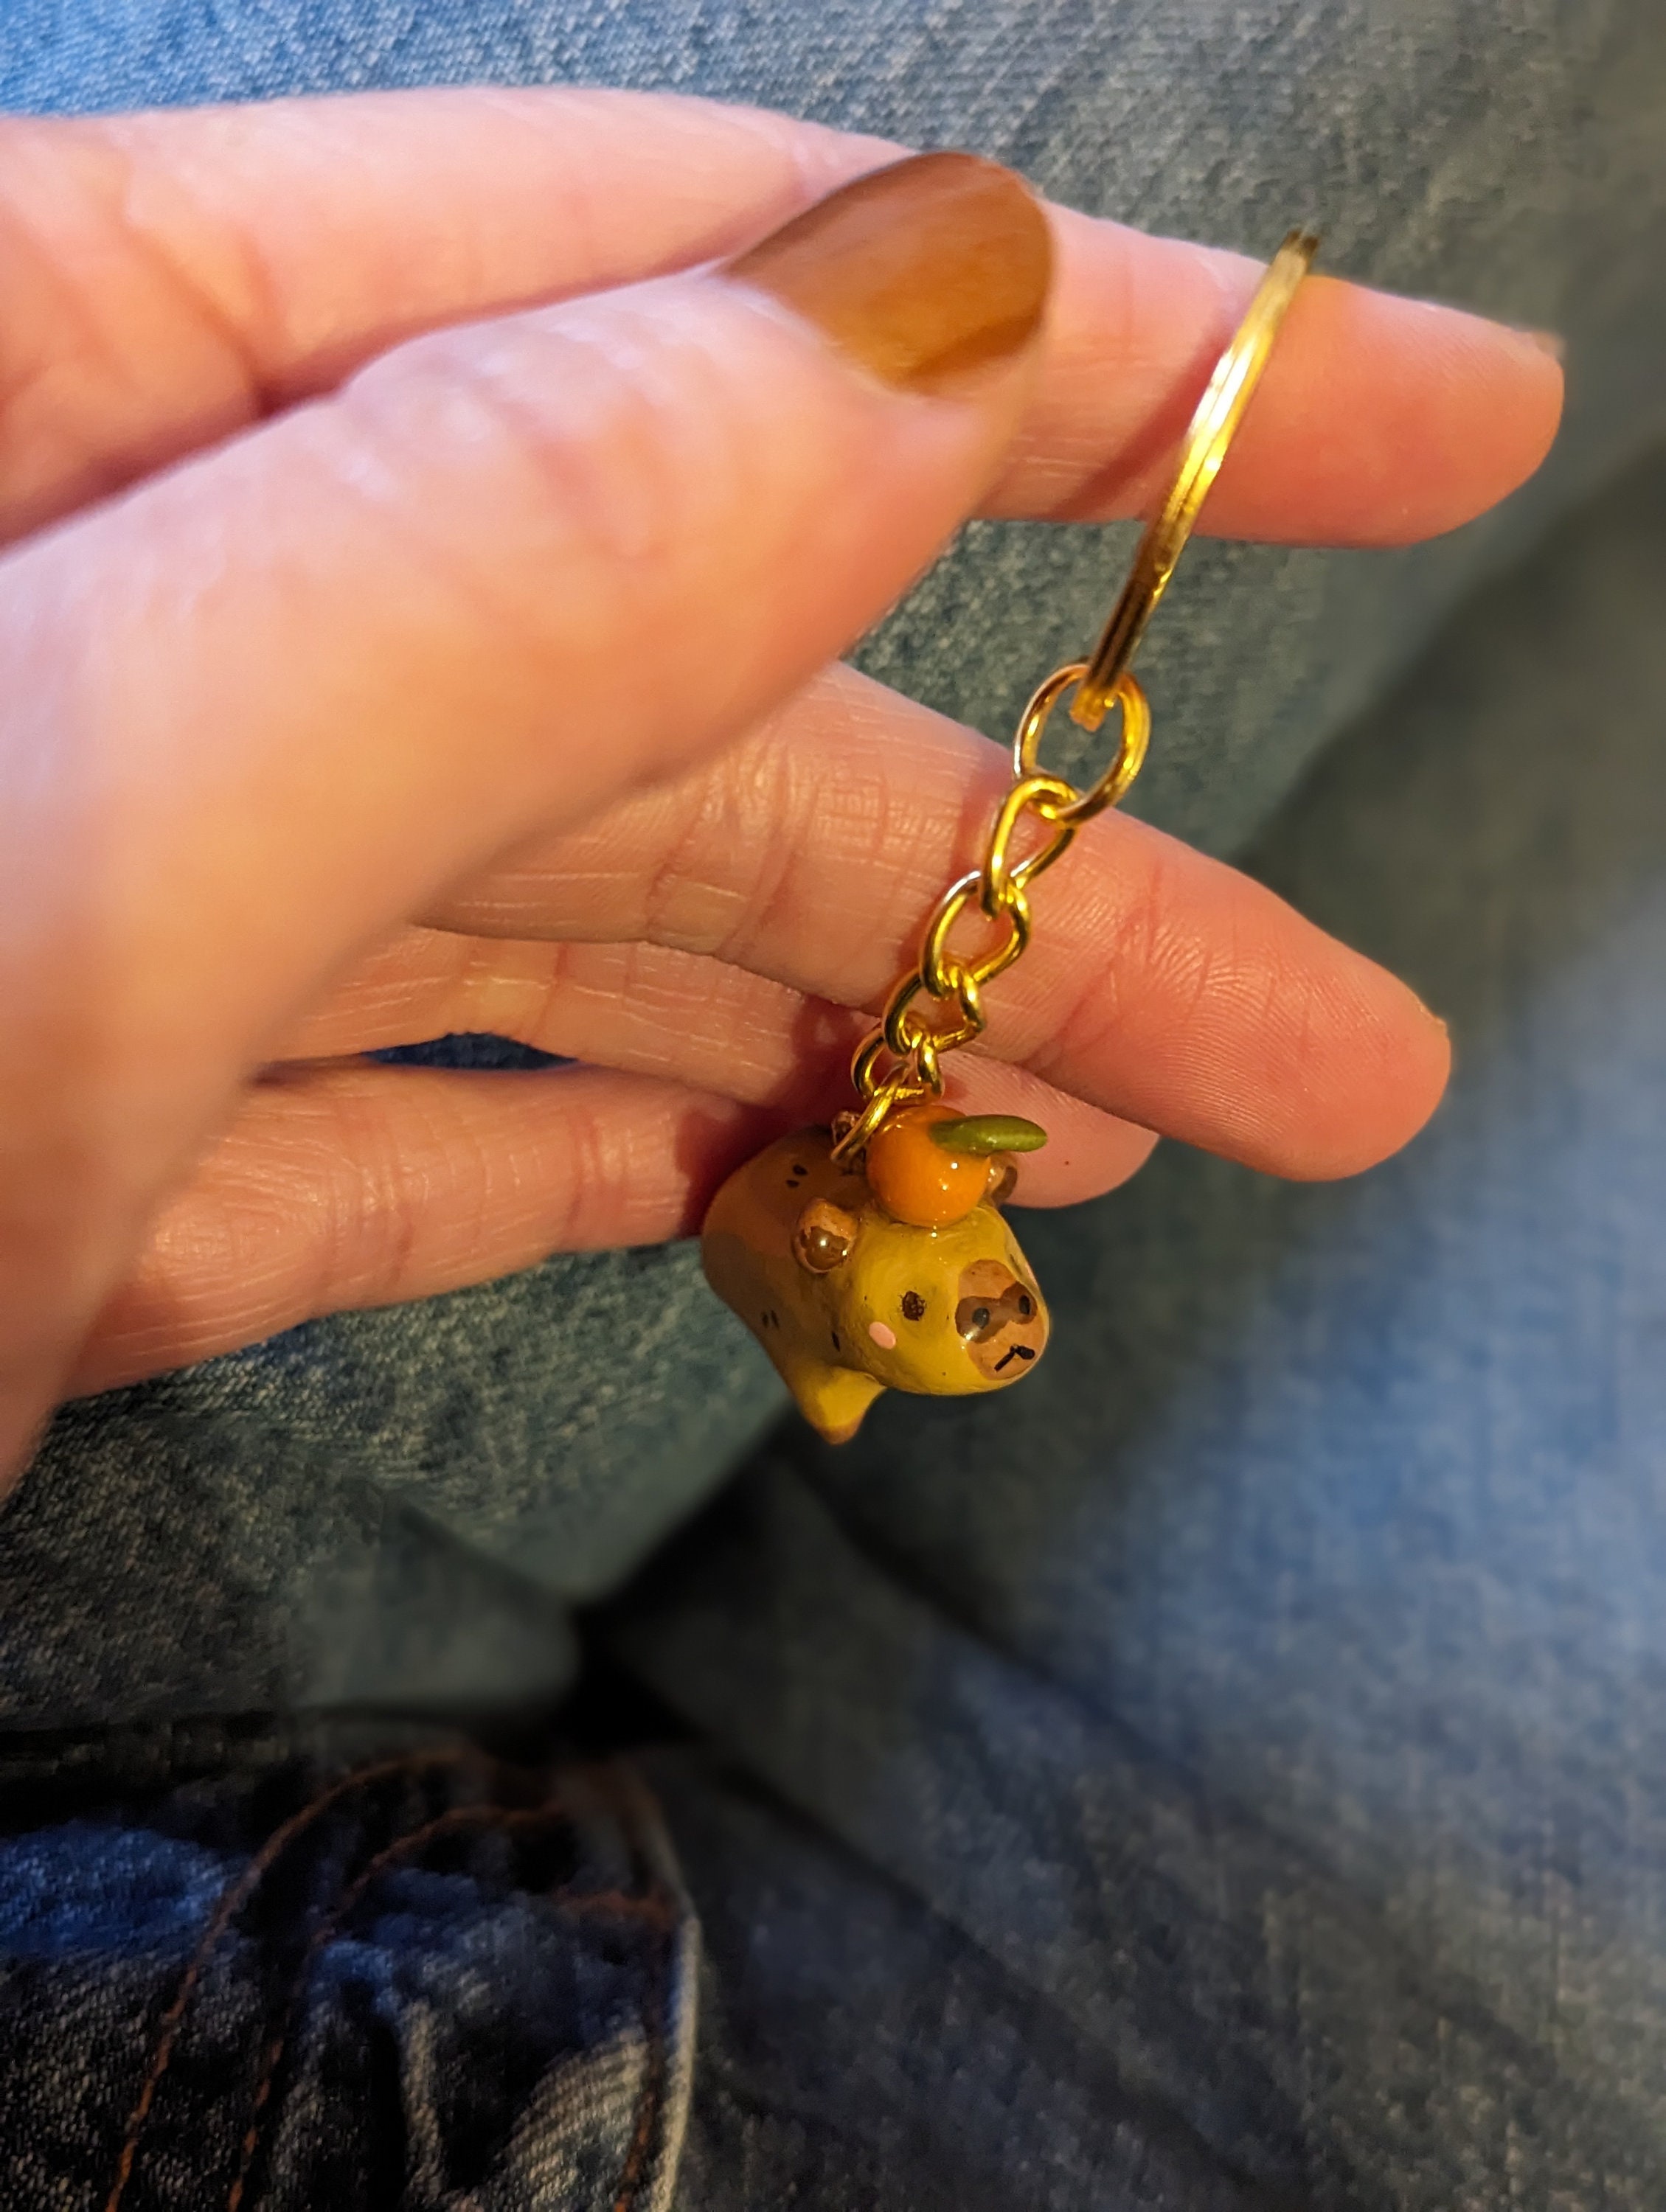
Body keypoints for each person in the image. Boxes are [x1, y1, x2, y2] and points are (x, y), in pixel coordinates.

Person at [1, 8, 1664, 2204]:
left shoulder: (873, 1180)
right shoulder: (888, 1202)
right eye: (943, 1301)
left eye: (929, 1308)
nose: (972, 1308)